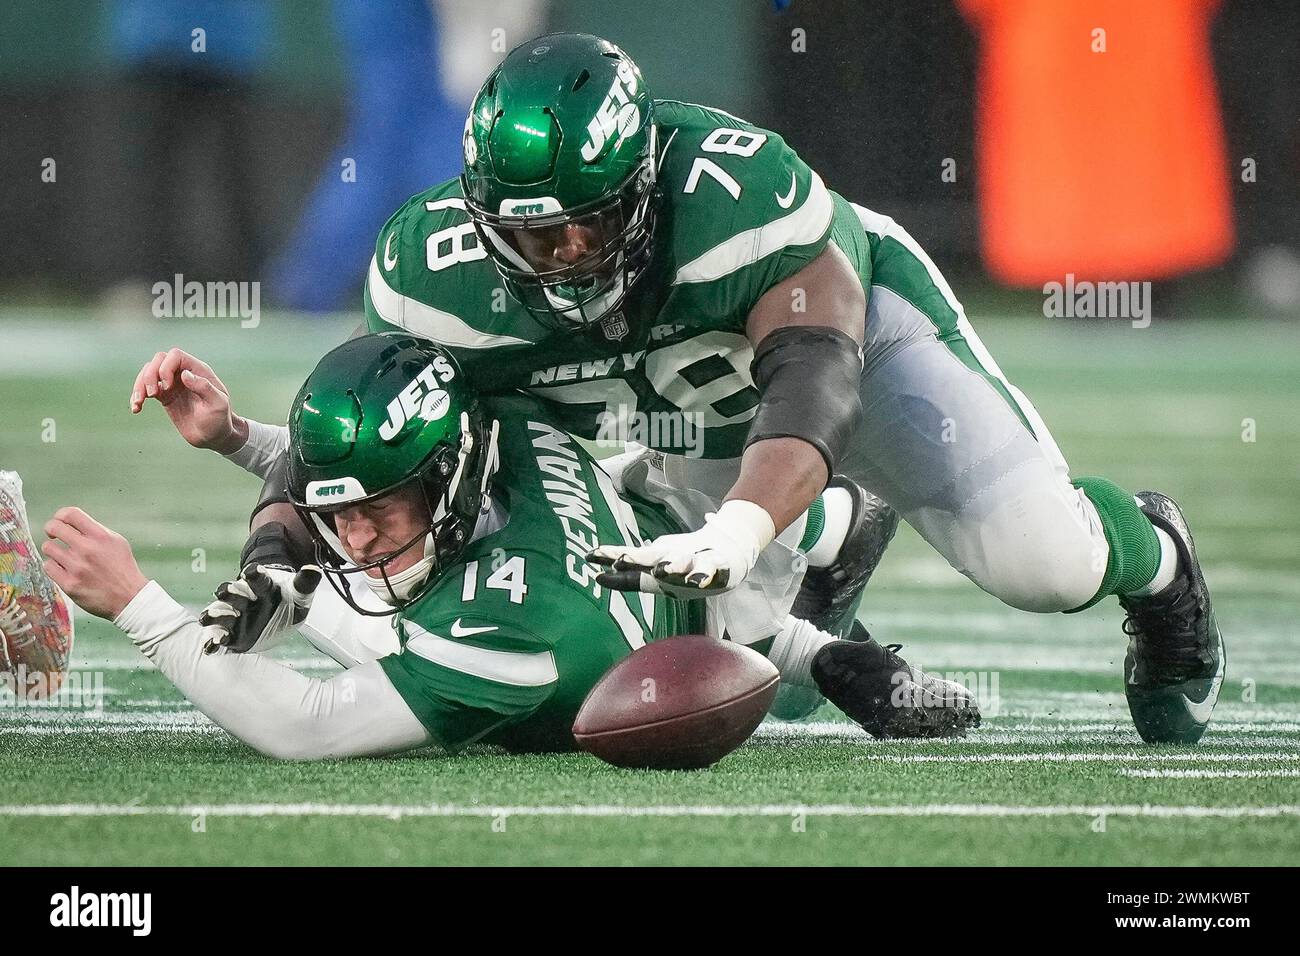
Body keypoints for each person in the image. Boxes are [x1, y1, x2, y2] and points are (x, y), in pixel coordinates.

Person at [134, 33, 1223, 744]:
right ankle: (833, 539)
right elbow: (375, 447)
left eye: (580, 223)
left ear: (643, 183)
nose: (557, 255)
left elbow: (813, 381)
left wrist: (748, 523)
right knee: (732, 666)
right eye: (525, 231)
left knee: (1042, 564)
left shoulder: (736, 195)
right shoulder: (436, 277)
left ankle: (1157, 556)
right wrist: (275, 554)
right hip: (676, 412)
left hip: (843, 348)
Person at [49, 335, 978, 759]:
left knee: (691, 435)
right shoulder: (494, 427)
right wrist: (235, 437)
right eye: (343, 513)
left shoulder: (510, 637)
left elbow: (304, 724)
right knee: (653, 474)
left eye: (382, 508)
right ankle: (829, 645)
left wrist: (140, 608)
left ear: (448, 474)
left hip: (675, 611)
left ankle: (830, 525)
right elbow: (355, 485)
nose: (359, 538)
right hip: (657, 571)